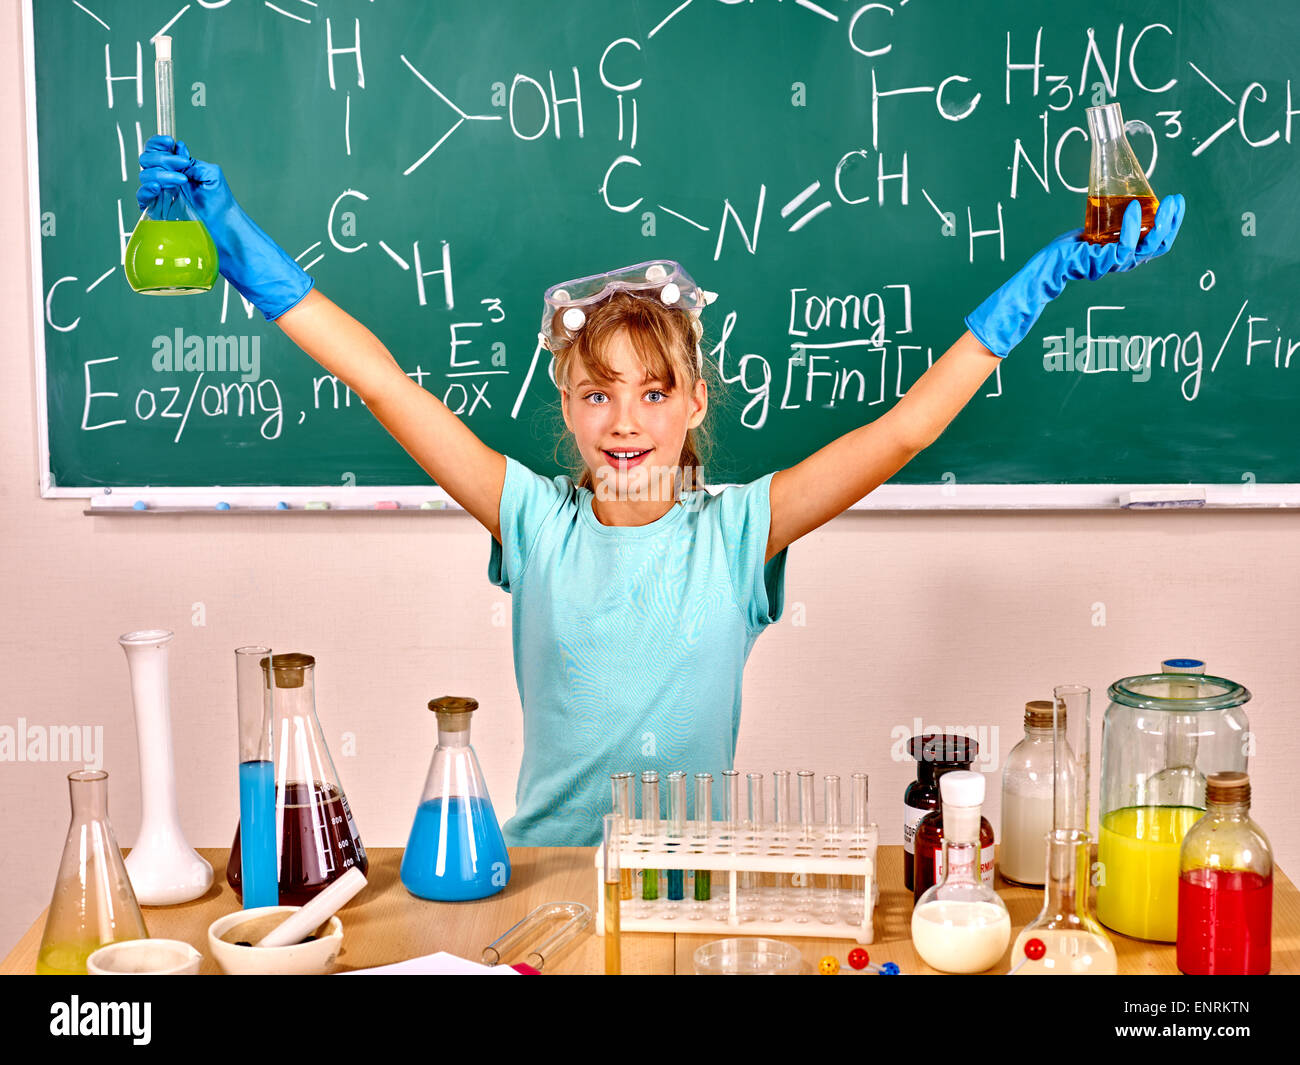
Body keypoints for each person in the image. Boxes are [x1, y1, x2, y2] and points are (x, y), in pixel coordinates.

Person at [137, 136, 1185, 845]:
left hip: (696, 878)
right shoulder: (531, 519)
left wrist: (1035, 288)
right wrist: (245, 256)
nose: (624, 421)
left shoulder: (736, 534)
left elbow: (904, 431)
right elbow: (376, 378)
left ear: (693, 403)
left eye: (651, 393)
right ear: (567, 405)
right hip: (541, 868)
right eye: (596, 396)